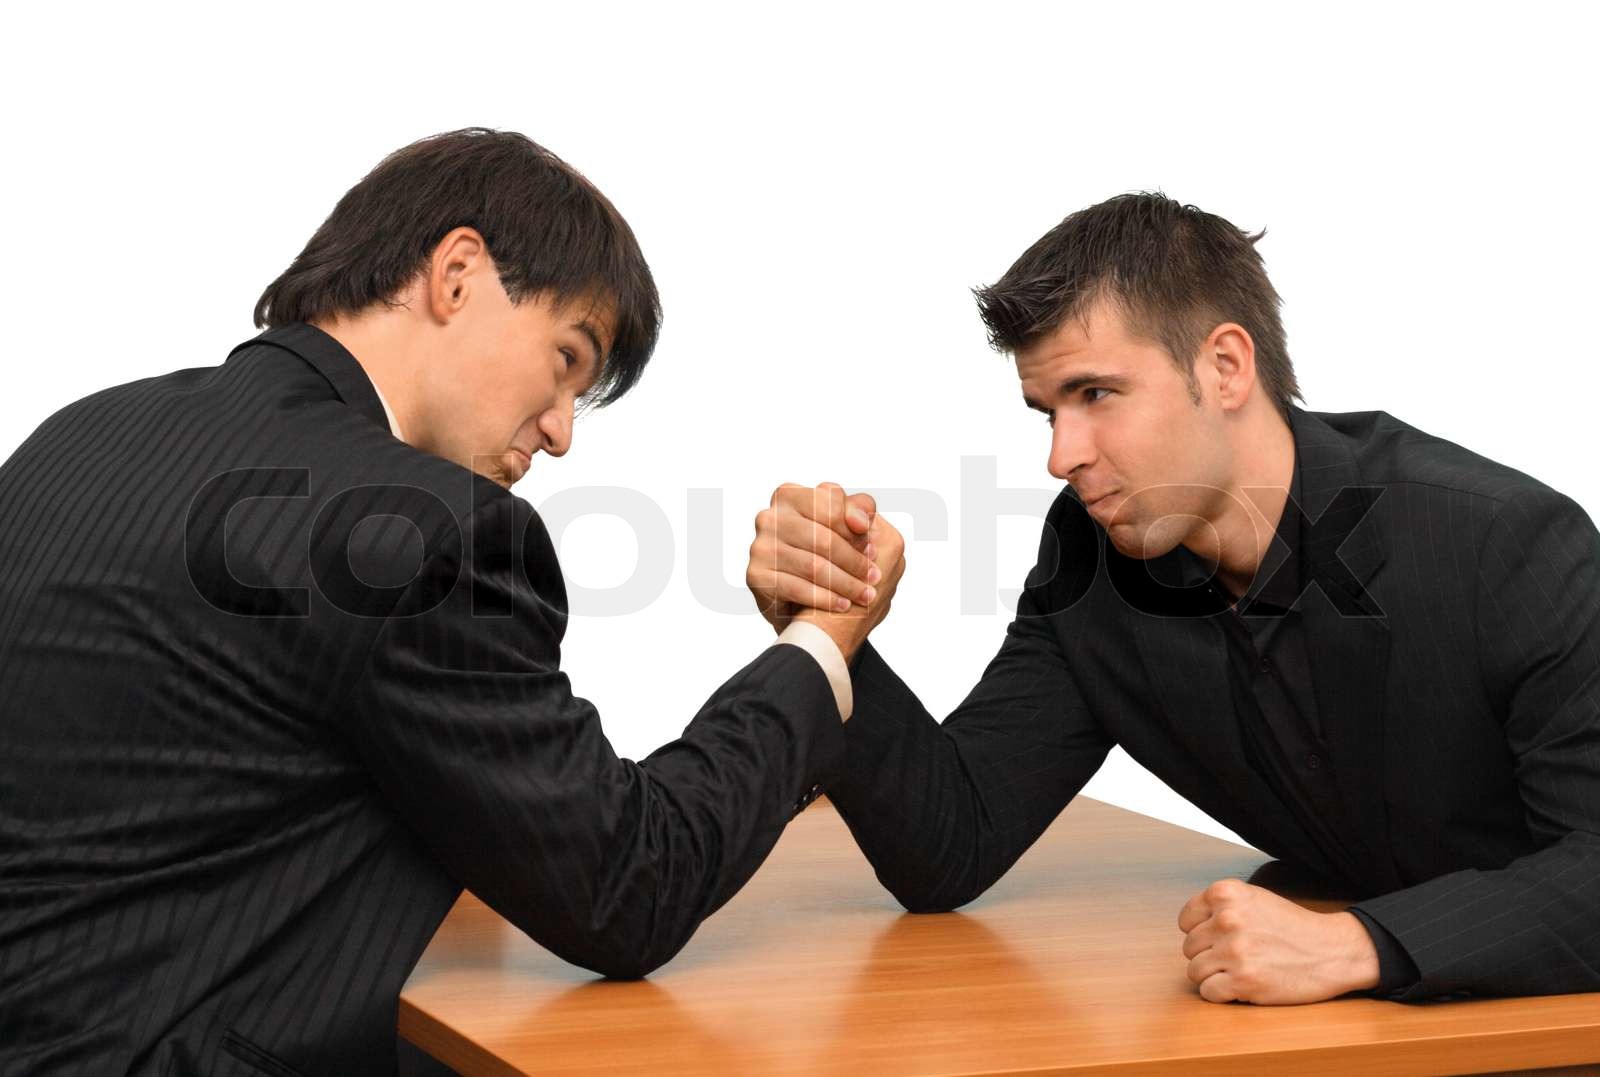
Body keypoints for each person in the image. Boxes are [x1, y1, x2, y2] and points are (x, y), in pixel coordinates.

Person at [0, 128, 900, 1076]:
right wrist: (818, 646)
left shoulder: (80, 435)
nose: (559, 435)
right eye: (566, 360)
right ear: (458, 272)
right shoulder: (419, 530)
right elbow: (631, 882)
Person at [746, 192, 1600, 1005]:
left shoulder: (1505, 543)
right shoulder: (1095, 554)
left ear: (1225, 366)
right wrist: (827, 627)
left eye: (1095, 394)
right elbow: (951, 840)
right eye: (1046, 412)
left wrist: (1355, 945)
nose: (1061, 455)